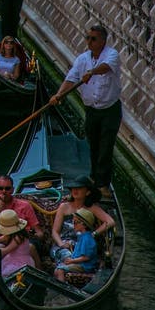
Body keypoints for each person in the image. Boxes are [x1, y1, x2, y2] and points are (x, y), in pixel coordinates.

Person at [49, 25, 121, 198]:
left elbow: (106, 67)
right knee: (93, 145)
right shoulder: (82, 59)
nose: (89, 42)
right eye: (87, 38)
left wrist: (92, 72)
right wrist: (59, 95)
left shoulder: (112, 55)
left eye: (93, 39)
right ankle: (94, 178)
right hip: (91, 110)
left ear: (102, 41)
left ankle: (103, 184)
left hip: (110, 110)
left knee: (105, 147)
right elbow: (71, 79)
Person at [50, 174, 114, 263]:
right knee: (67, 256)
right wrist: (61, 244)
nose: (75, 190)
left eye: (79, 188)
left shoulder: (92, 208)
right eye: (73, 188)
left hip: (83, 245)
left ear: (87, 192)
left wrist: (94, 234)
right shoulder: (64, 207)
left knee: (82, 257)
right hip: (63, 245)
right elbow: (55, 231)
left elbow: (110, 221)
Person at [0, 175, 42, 240]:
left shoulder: (25, 206)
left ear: (12, 190)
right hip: (0, 241)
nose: (4, 191)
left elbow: (39, 232)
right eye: (0, 188)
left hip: (24, 240)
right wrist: (0, 207)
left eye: (7, 188)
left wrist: (30, 239)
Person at [53, 208, 98, 282]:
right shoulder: (81, 236)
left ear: (84, 225)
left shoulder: (87, 239)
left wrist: (72, 261)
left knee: (60, 270)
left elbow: (86, 257)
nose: (73, 225)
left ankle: (62, 288)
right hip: (78, 263)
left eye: (75, 222)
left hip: (84, 266)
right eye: (73, 222)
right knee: (57, 269)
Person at [0, 210, 41, 276]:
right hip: (12, 258)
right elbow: (3, 238)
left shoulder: (18, 237)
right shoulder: (12, 233)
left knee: (4, 272)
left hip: (20, 263)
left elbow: (7, 250)